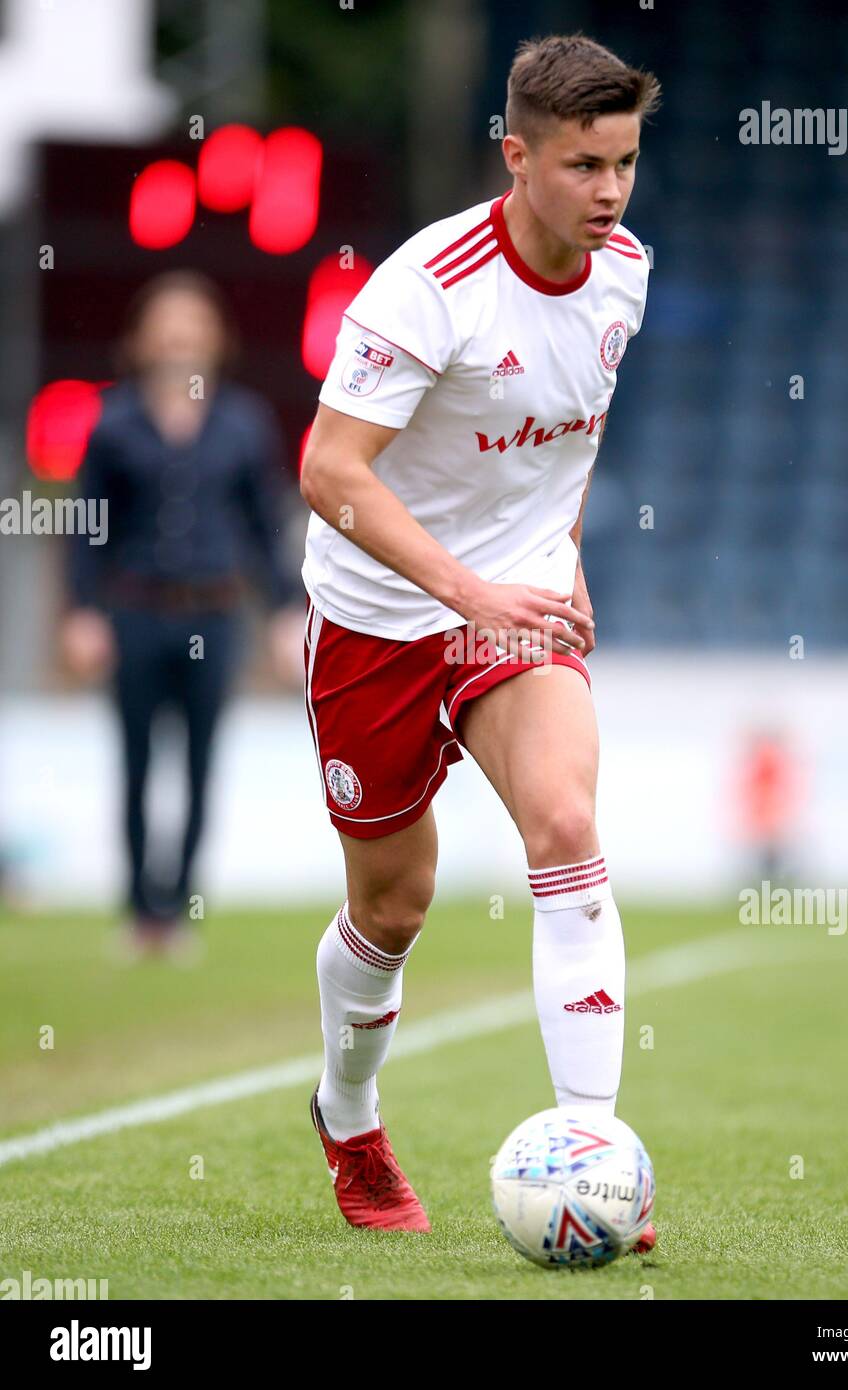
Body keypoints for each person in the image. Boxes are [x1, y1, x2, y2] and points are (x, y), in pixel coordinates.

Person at [300, 34, 659, 1251]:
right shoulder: (426, 285)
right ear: (515, 155)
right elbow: (327, 468)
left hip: (517, 605)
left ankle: (593, 1158)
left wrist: (557, 563)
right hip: (381, 615)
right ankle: (348, 1114)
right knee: (395, 906)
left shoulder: (626, 272)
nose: (609, 191)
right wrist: (463, 589)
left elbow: (566, 434)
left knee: (565, 827)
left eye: (624, 162)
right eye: (581, 164)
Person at [63, 271, 302, 959]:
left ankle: (181, 909)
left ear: (214, 339)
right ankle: (141, 912)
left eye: (192, 324)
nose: (178, 338)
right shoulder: (111, 424)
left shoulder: (243, 422)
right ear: (140, 340)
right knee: (136, 766)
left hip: (214, 615)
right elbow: (88, 529)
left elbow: (263, 526)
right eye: (165, 325)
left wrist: (286, 610)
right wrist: (81, 611)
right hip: (136, 612)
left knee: (201, 765)